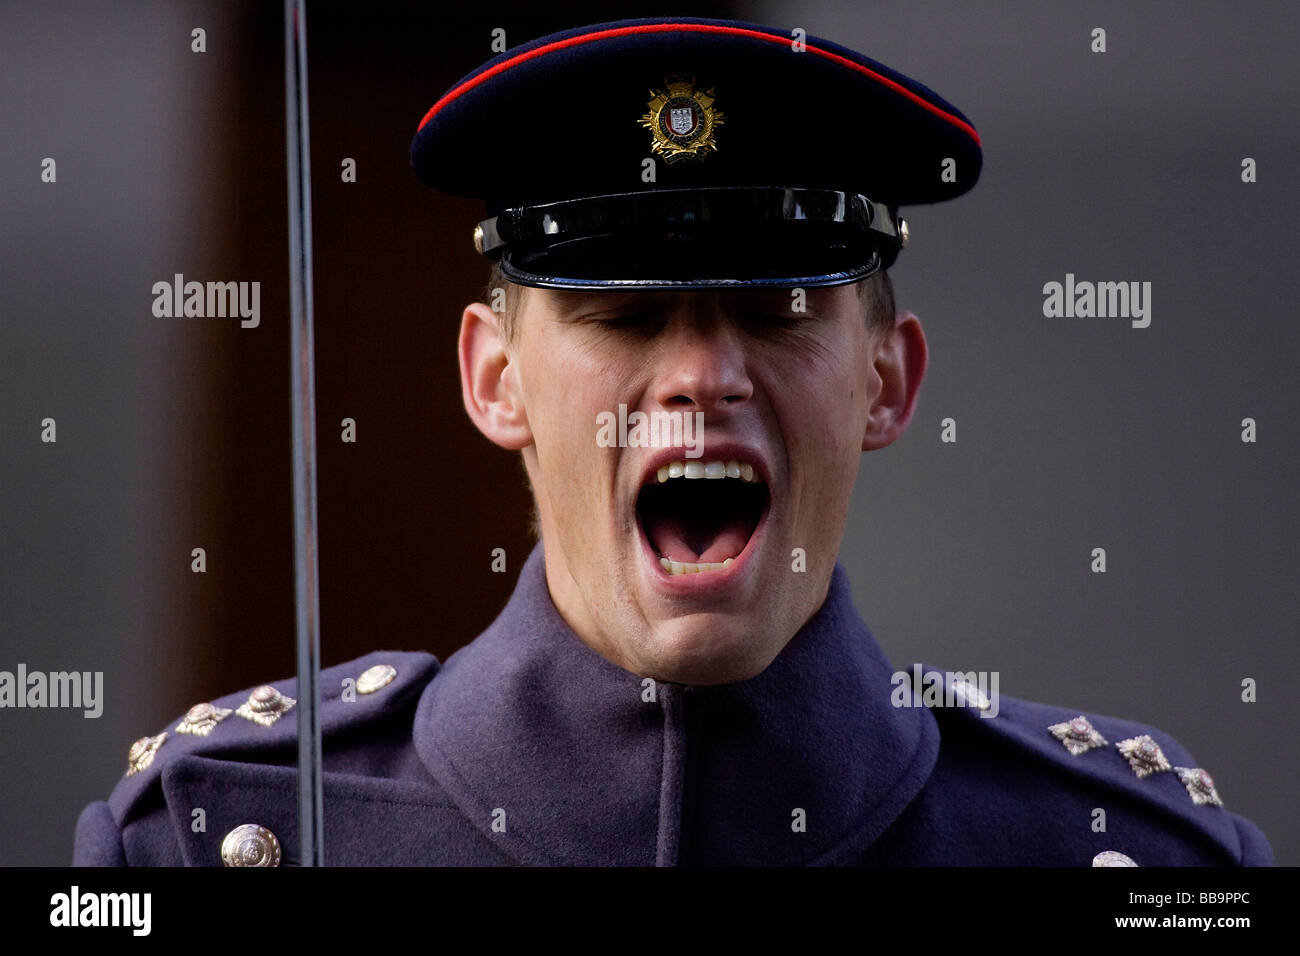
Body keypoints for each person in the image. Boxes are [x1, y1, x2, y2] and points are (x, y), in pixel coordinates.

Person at [73, 16, 1272, 867]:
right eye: (624, 314)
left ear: (887, 382)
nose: (701, 372)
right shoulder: (199, 839)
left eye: (774, 310)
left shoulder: (1128, 858)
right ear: (495, 382)